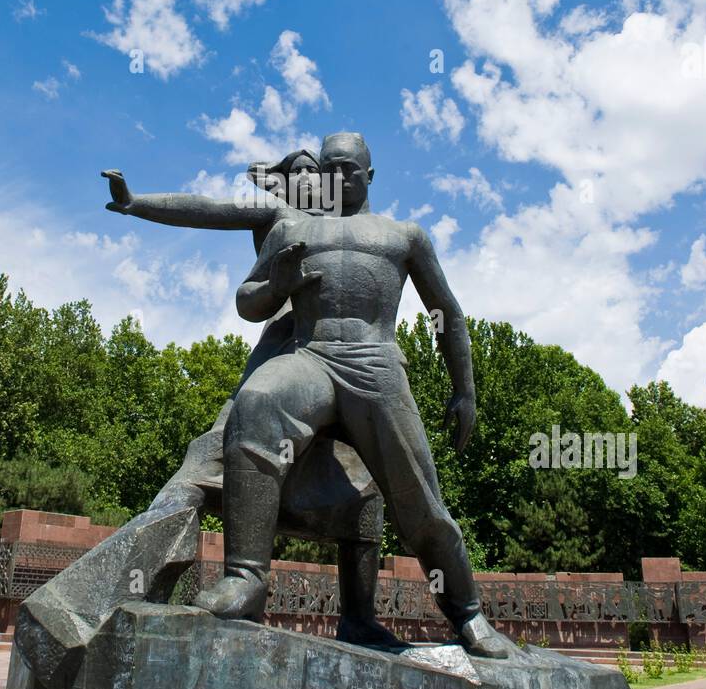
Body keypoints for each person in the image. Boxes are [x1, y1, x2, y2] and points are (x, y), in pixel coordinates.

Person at [193, 131, 512, 660]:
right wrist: (276, 285)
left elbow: (447, 314)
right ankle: (246, 577)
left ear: (370, 175)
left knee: (419, 499)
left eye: (349, 169)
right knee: (256, 403)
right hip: (311, 356)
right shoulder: (293, 230)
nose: (338, 178)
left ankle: (470, 614)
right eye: (330, 168)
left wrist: (465, 392)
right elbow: (248, 300)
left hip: (375, 365)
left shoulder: (403, 235)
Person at [101, 152, 399, 648]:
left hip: (354, 368)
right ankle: (155, 584)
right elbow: (207, 210)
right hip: (287, 356)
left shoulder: (360, 227)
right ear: (283, 184)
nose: (312, 177)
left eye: (317, 169)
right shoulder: (279, 218)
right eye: (300, 169)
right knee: (216, 456)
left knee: (364, 487)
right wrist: (136, 203)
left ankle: (360, 618)